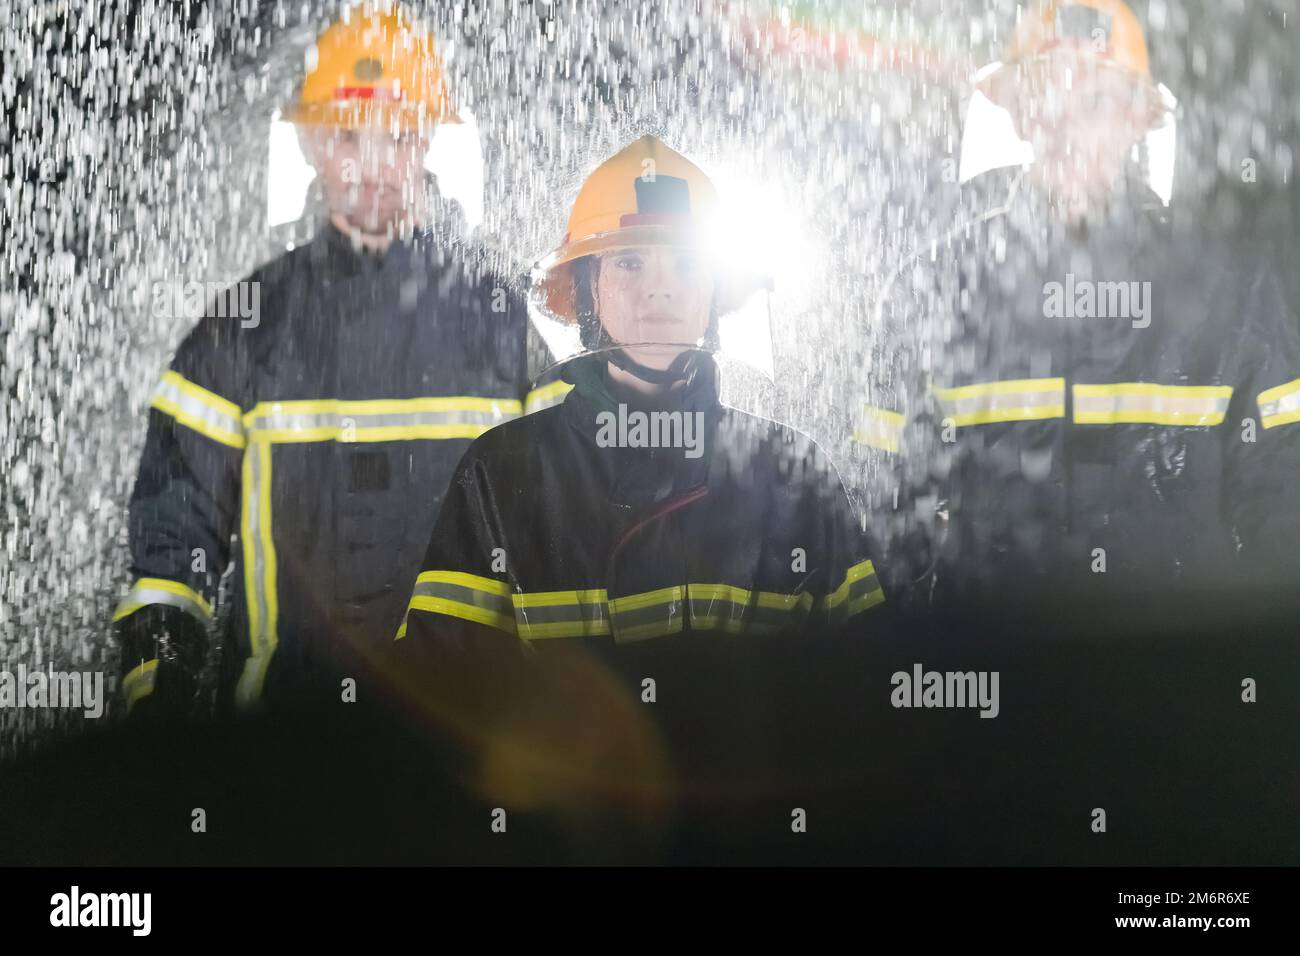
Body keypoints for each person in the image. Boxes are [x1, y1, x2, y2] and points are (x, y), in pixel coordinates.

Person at [387, 136, 892, 835]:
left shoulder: (791, 475)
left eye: (685, 264)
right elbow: (437, 717)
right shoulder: (502, 475)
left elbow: (867, 706)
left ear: (714, 293)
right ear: (587, 288)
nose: (660, 288)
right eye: (629, 262)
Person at [114, 8, 563, 719]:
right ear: (314, 145)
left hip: (464, 762)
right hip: (284, 759)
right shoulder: (242, 325)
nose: (373, 164)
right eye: (348, 136)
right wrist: (155, 697)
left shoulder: (500, 322)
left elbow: (559, 534)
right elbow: (173, 546)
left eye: (398, 135)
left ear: (425, 144)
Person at [850, 0, 1300, 636]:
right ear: (1021, 115)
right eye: (1047, 97)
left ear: (1136, 120)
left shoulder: (1232, 291)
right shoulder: (934, 288)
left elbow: (1284, 496)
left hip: (1177, 695)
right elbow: (878, 506)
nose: (1067, 126)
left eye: (1095, 103)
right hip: (994, 697)